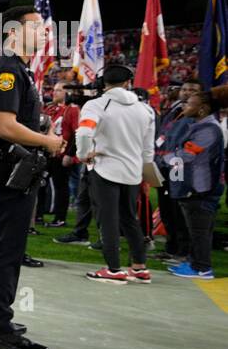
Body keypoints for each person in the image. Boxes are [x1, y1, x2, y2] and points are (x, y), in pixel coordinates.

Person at [0, 6, 64, 349]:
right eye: (36, 27)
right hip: (6, 170)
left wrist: (38, 130)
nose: (44, 33)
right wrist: (48, 141)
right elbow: (4, 126)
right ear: (13, 32)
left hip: (3, 167)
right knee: (6, 250)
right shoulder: (8, 71)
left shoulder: (17, 70)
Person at [74, 63, 156, 284]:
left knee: (108, 218)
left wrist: (83, 154)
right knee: (130, 218)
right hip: (133, 171)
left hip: (105, 168)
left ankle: (113, 269)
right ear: (128, 82)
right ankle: (139, 267)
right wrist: (145, 171)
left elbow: (84, 133)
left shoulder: (96, 105)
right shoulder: (146, 109)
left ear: (103, 83)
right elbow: (148, 149)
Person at [165, 89, 223, 279]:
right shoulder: (200, 126)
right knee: (195, 229)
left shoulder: (208, 130)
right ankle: (194, 262)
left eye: (190, 103)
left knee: (199, 230)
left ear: (202, 109)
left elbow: (186, 155)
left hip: (200, 187)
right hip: (193, 184)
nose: (185, 106)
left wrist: (165, 158)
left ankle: (202, 268)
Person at [153, 80, 204, 261]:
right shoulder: (174, 109)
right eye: (184, 89)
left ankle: (183, 251)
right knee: (166, 207)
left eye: (192, 90)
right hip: (164, 164)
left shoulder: (198, 115)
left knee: (178, 208)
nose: (187, 92)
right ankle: (171, 247)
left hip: (181, 167)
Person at [41, 82, 79, 227]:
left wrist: (69, 154)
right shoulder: (50, 109)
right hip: (47, 152)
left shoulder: (72, 110)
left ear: (67, 93)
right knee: (41, 184)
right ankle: (39, 215)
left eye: (58, 90)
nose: (54, 93)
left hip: (61, 155)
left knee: (61, 186)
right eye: (54, 90)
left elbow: (76, 132)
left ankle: (60, 217)